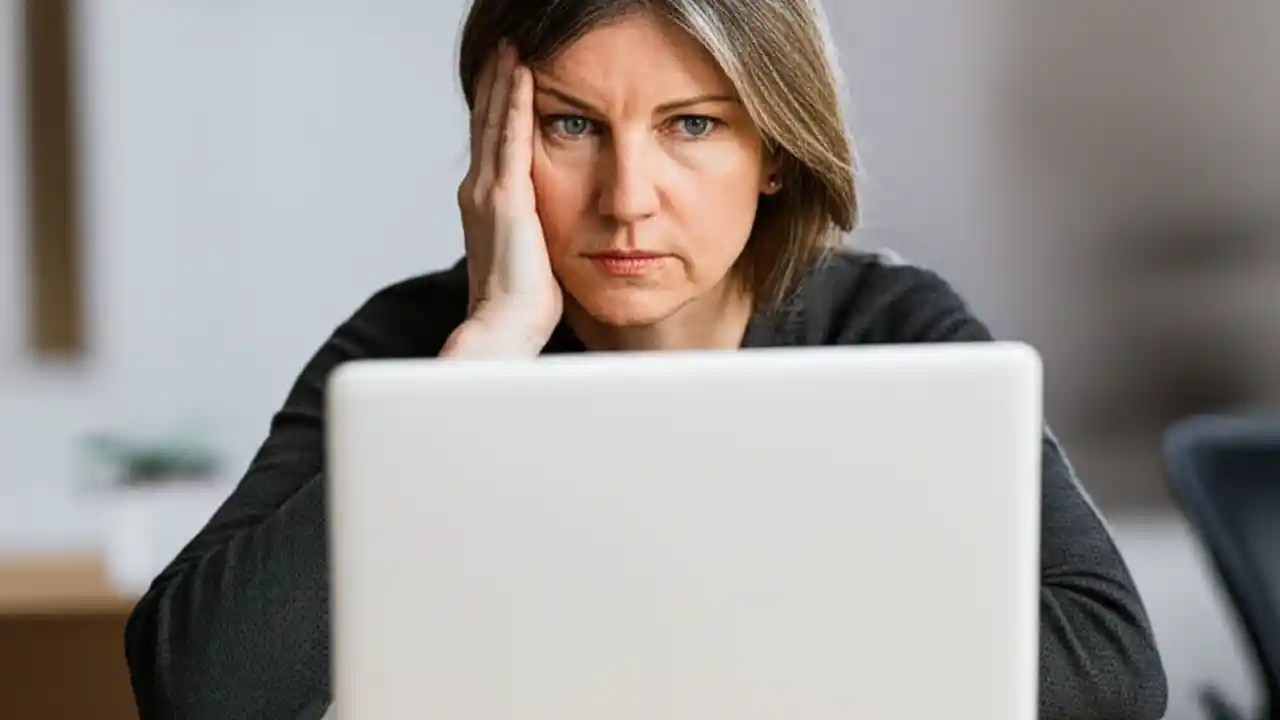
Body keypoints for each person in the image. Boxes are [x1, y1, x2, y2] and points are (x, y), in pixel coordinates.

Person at [124, 1, 1169, 718]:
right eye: (571, 125)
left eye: (691, 125)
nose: (627, 197)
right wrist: (480, 371)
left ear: (772, 152)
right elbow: (206, 692)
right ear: (495, 148)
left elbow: (1108, 673)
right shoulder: (419, 346)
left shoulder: (887, 326)